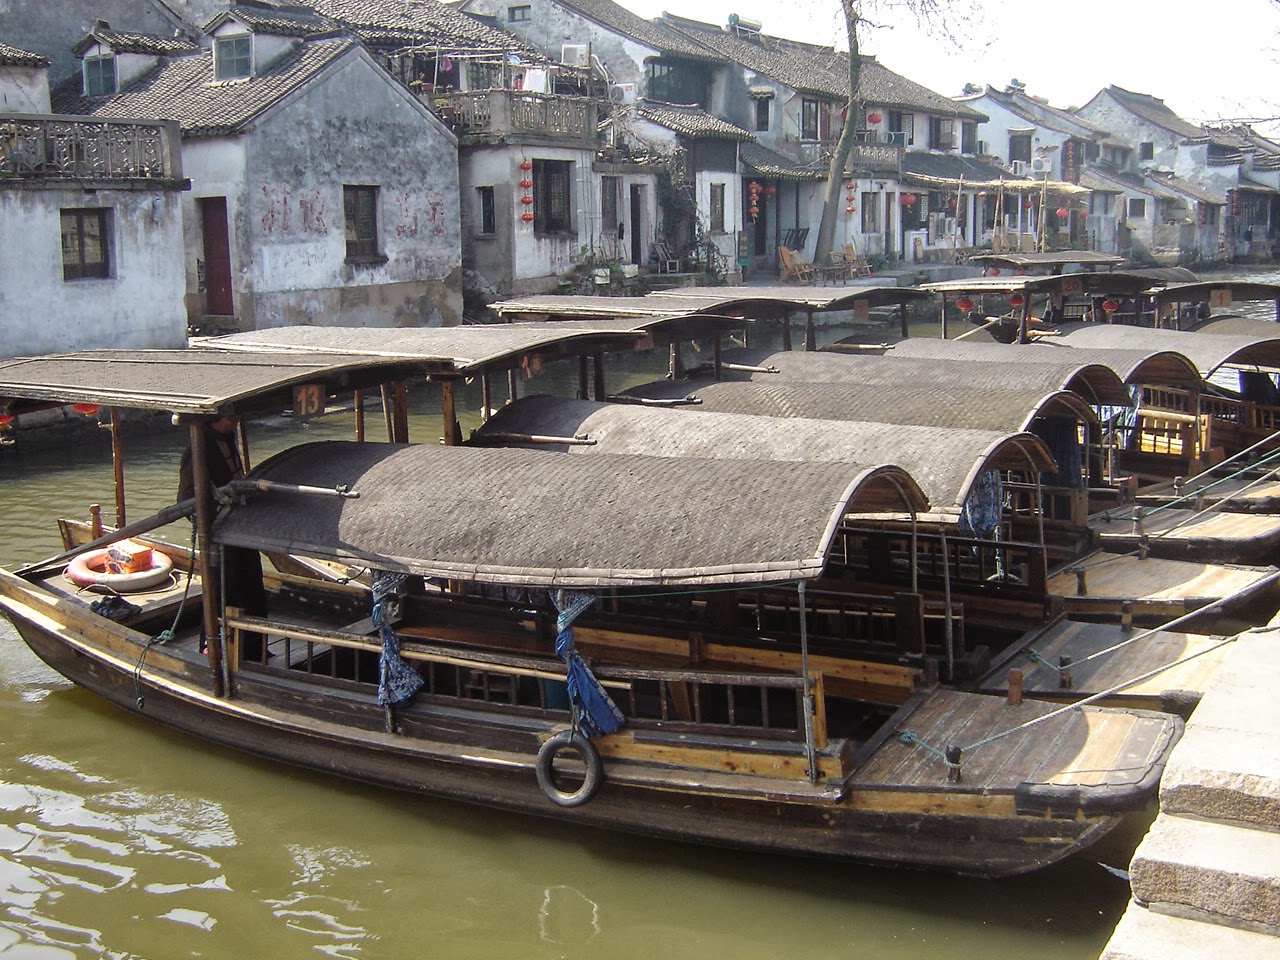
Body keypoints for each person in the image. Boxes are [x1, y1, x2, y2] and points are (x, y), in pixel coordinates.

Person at [177, 414, 268, 659]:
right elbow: (187, 501)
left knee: (253, 591)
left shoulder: (227, 440)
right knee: (222, 593)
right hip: (219, 537)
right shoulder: (198, 449)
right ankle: (214, 650)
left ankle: (254, 648)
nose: (235, 422)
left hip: (241, 531)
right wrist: (218, 513)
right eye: (229, 419)